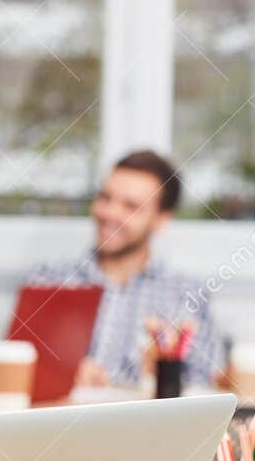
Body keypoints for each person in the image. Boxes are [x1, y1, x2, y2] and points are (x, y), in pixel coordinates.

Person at [25, 150, 220, 387]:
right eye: (105, 198)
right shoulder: (47, 279)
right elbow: (15, 374)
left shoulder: (188, 293)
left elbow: (203, 388)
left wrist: (161, 379)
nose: (110, 213)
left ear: (161, 220)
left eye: (131, 207)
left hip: (148, 423)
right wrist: (64, 374)